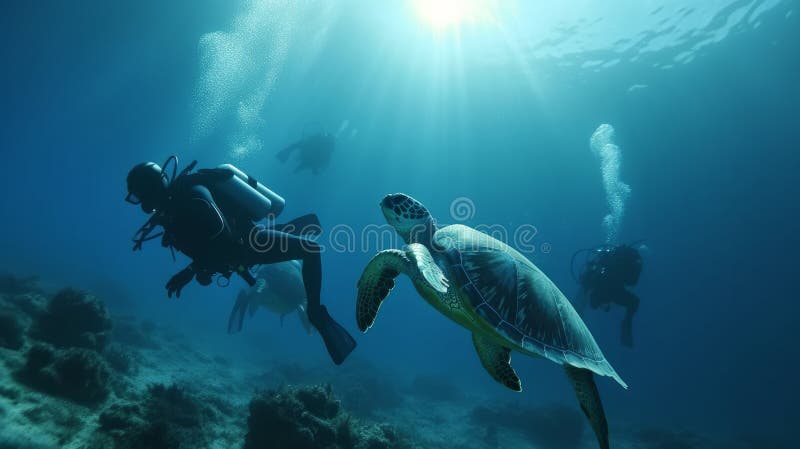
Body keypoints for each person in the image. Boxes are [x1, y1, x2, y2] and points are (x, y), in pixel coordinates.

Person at [125, 156, 356, 364]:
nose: (142, 205)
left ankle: (315, 311)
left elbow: (225, 236)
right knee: (298, 247)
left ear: (149, 189)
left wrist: (192, 270)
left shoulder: (193, 194)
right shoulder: (173, 211)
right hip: (237, 255)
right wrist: (197, 269)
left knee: (311, 249)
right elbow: (208, 245)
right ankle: (281, 232)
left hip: (249, 243)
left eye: (138, 196)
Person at [574, 244, 643, 348]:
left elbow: (586, 281)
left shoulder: (606, 257)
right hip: (613, 290)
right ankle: (626, 324)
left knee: (589, 294)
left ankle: (576, 314)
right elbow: (632, 282)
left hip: (601, 288)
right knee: (634, 302)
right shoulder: (632, 260)